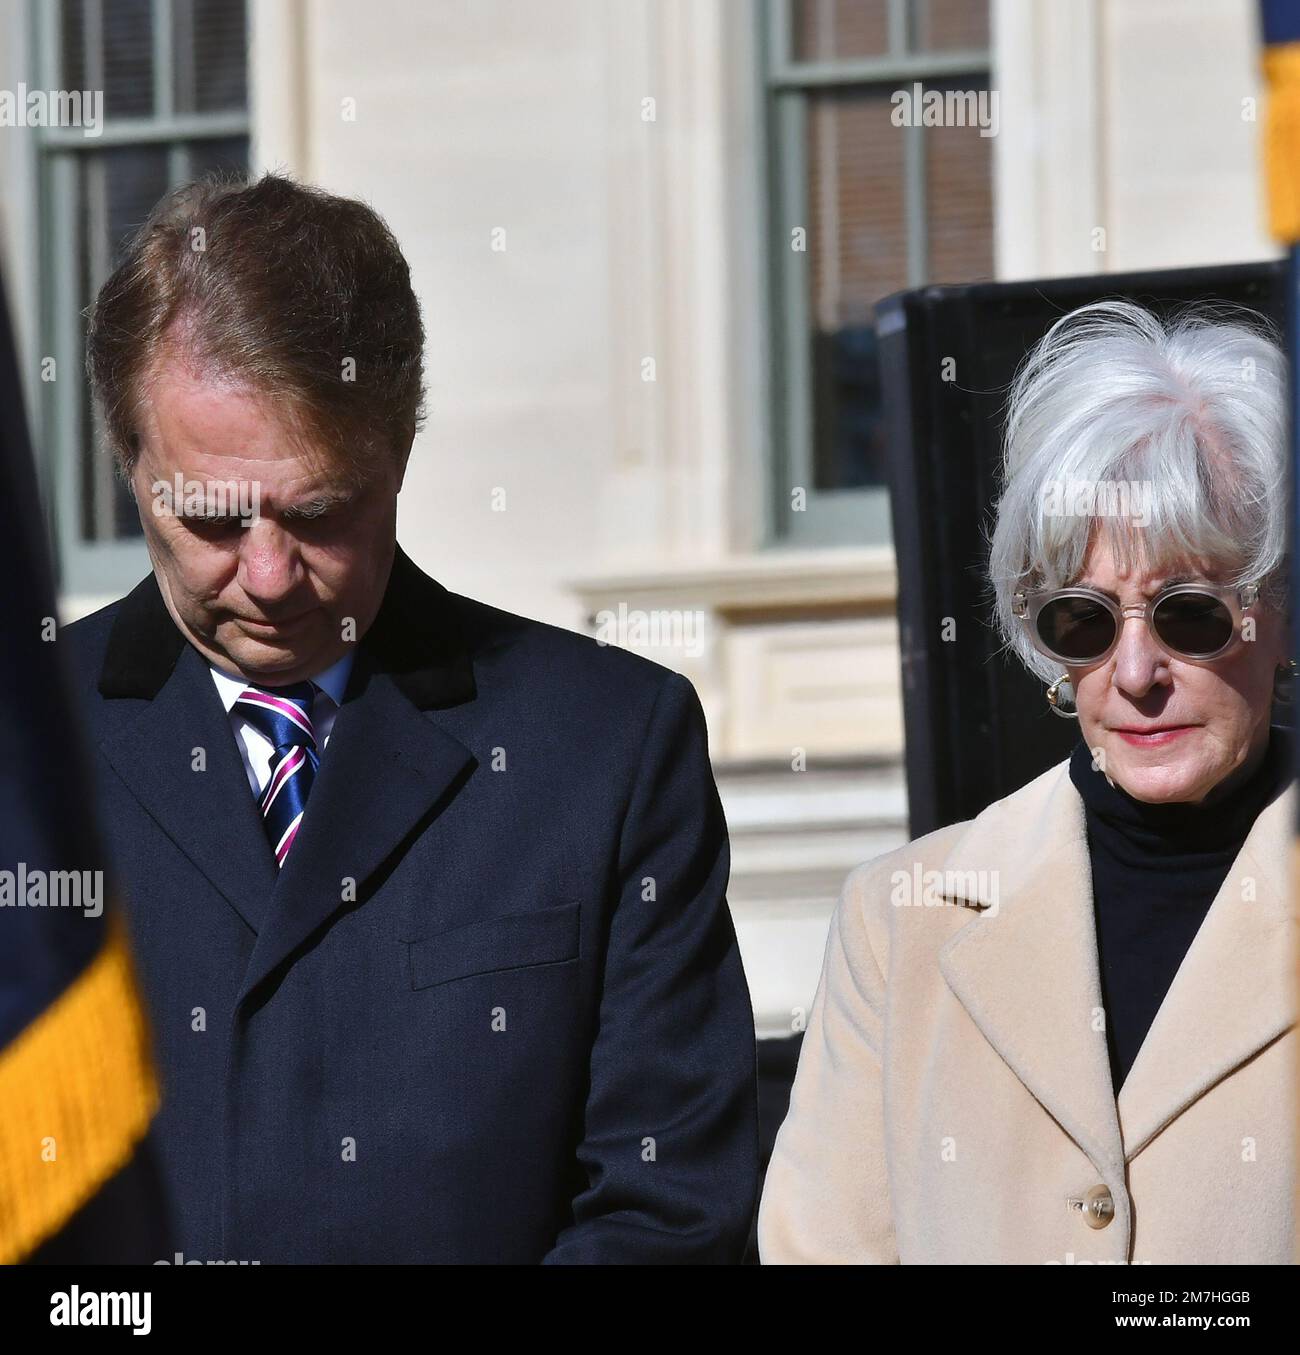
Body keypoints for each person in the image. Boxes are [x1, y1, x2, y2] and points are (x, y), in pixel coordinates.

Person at [64, 173, 759, 1264]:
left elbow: (669, 1213)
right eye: (208, 516)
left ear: (398, 457)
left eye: (319, 511)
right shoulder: (22, 753)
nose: (268, 573)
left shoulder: (607, 747)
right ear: (128, 467)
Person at [758, 300, 1296, 1264]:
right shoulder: (901, 921)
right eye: (1083, 621)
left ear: (1278, 610)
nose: (1136, 673)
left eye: (1190, 613)